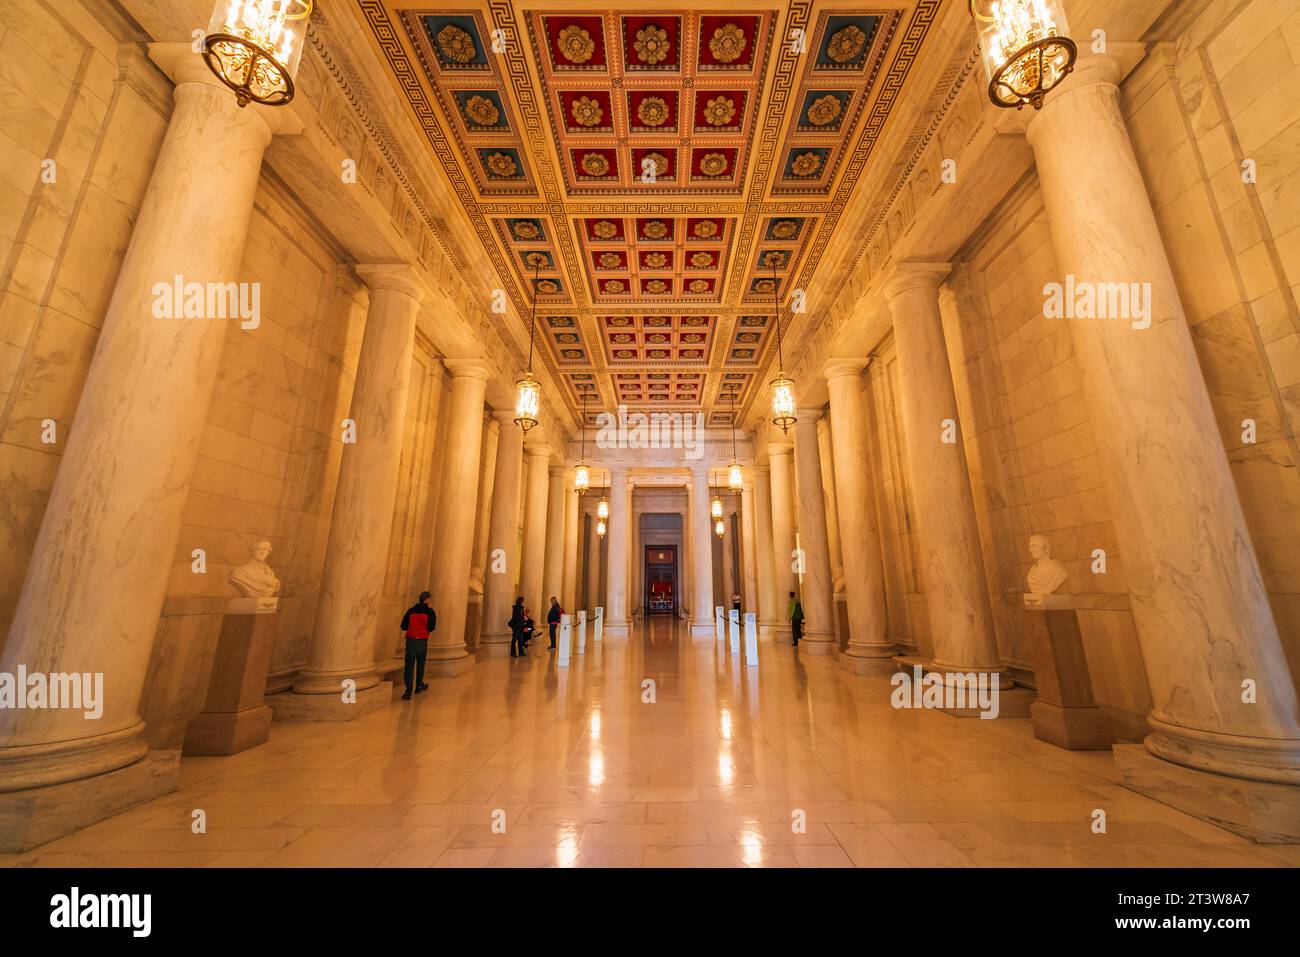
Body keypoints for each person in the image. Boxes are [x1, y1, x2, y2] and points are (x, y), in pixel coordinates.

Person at [399, 591, 435, 700]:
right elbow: (431, 627)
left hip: (411, 640)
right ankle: (419, 685)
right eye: (430, 599)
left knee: (409, 665)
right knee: (421, 663)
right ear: (427, 599)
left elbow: (403, 626)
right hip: (422, 641)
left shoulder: (410, 611)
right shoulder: (430, 612)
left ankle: (408, 691)